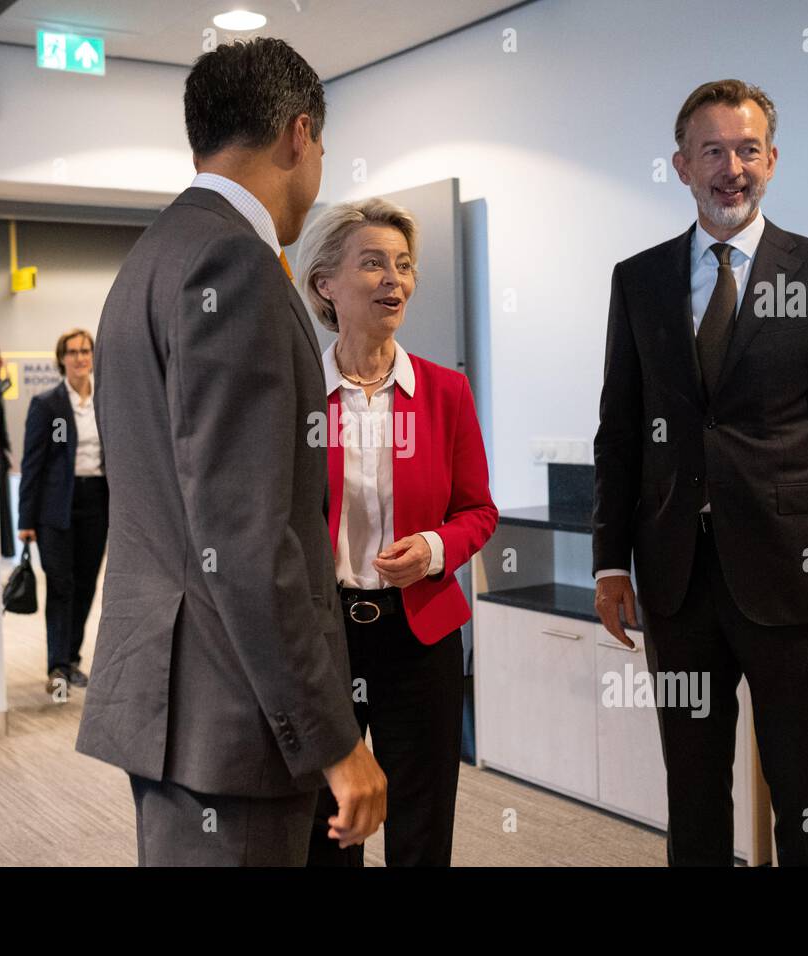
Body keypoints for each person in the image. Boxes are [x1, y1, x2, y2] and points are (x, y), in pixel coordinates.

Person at [75, 37, 386, 866]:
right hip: (231, 713)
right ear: (297, 134)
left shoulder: (151, 257)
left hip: (175, 698)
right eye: (320, 145)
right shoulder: (236, 264)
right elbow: (245, 535)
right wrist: (331, 735)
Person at [591, 79, 808, 866]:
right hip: (675, 583)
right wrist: (607, 560)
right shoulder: (639, 279)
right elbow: (618, 432)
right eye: (714, 151)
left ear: (773, 160)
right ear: (682, 165)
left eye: (748, 149)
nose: (733, 167)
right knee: (691, 787)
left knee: (803, 790)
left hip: (791, 583)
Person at [295, 199, 498, 867]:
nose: (395, 280)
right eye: (373, 263)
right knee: (331, 822)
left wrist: (436, 549)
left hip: (420, 635)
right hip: (324, 638)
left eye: (404, 266)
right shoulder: (297, 397)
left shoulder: (446, 392)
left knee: (422, 820)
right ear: (326, 284)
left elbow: (477, 510)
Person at [17, 329, 107, 698]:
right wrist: (25, 521)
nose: (80, 357)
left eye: (85, 351)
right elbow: (32, 464)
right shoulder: (47, 404)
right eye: (72, 352)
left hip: (97, 500)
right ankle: (56, 665)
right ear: (61, 359)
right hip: (56, 508)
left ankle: (71, 658)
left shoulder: (105, 400)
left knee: (86, 584)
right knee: (61, 584)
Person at [0, 348, 15, 559]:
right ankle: (4, 548)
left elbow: (7, 382)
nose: (1, 364)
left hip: (0, 452)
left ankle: (6, 549)